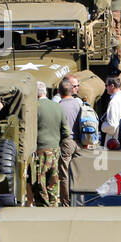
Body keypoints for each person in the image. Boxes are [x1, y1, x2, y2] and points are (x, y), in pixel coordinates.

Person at [31, 80, 69, 207]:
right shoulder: (57, 106)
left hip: (39, 151)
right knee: (53, 183)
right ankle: (53, 208)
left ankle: (43, 210)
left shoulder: (33, 107)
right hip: (55, 150)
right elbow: (66, 132)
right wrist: (58, 145)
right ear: (45, 92)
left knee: (39, 184)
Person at [56, 78, 81, 206]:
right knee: (78, 173)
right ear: (72, 91)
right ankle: (80, 200)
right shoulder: (79, 104)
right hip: (80, 143)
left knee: (64, 174)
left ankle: (66, 203)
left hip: (66, 143)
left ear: (59, 92)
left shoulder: (59, 106)